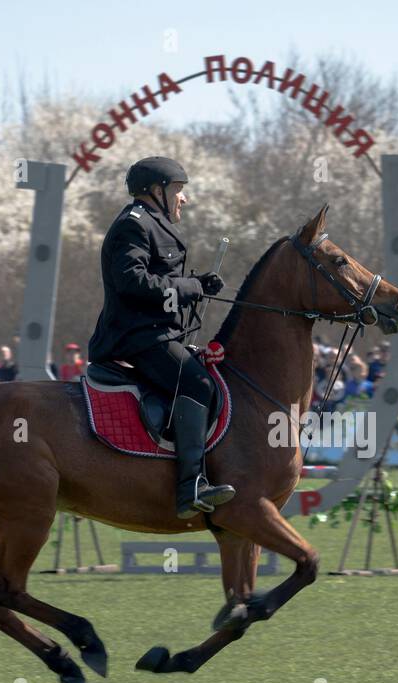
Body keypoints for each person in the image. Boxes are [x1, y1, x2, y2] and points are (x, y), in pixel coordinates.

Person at [87, 156, 234, 518]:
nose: (183, 199)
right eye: (178, 191)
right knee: (197, 384)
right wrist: (190, 287)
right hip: (138, 337)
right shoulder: (133, 225)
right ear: (156, 191)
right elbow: (133, 282)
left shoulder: (155, 224)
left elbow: (160, 278)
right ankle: (190, 487)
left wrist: (198, 284)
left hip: (159, 333)